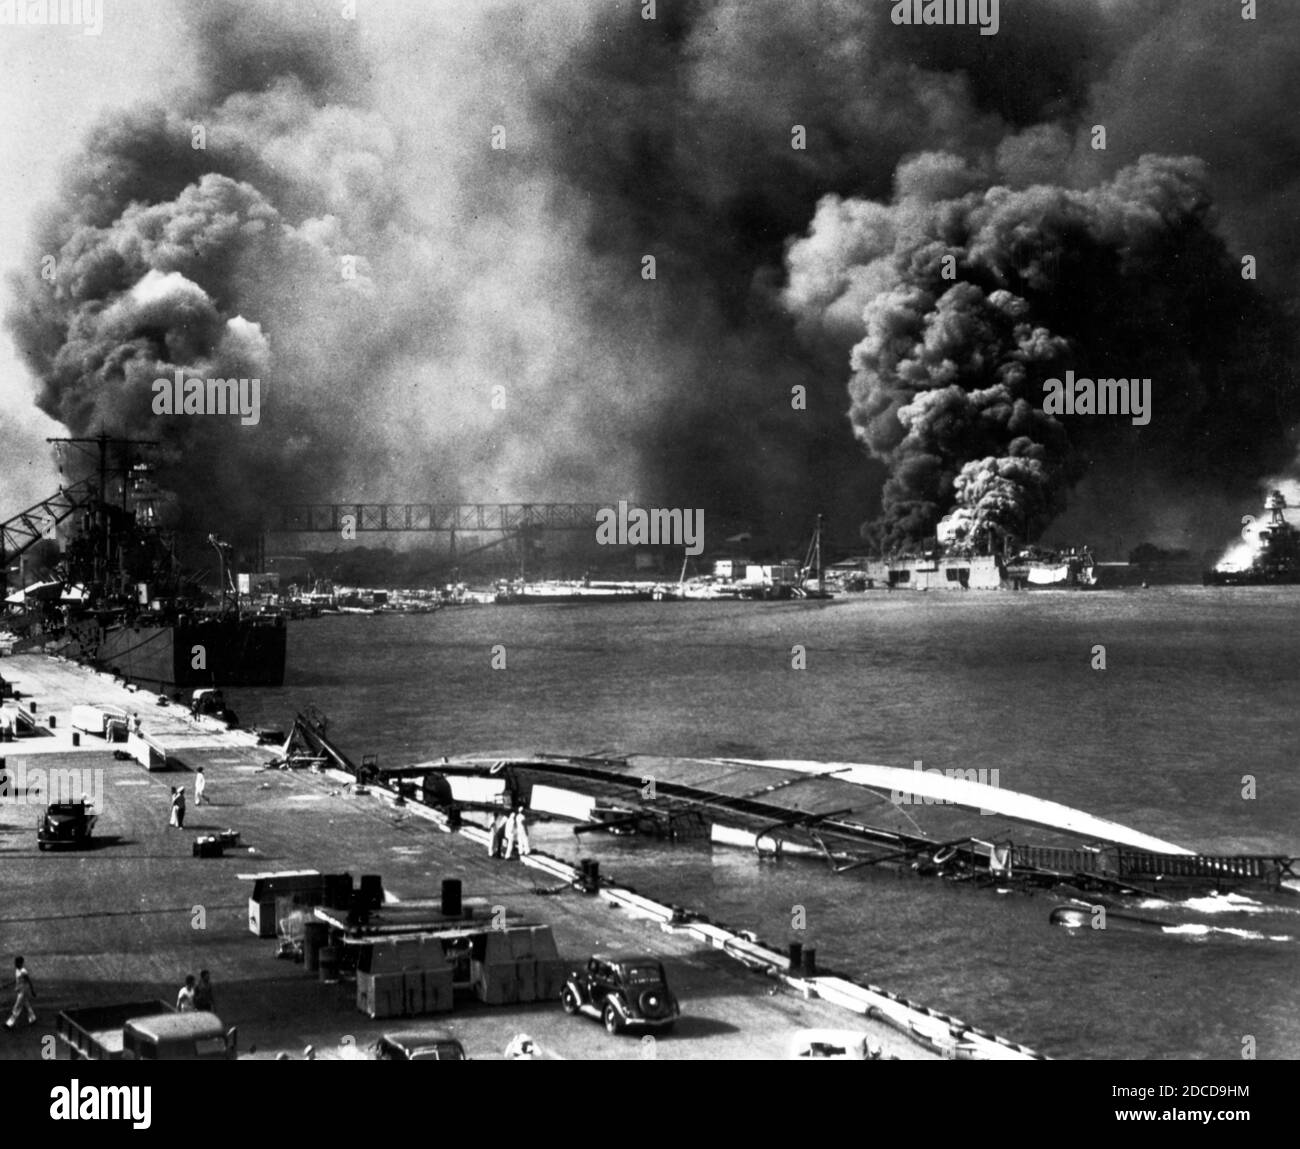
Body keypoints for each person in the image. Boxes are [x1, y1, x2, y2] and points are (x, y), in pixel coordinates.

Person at [5, 957, 36, 1029]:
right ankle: (32, 1018)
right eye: (15, 963)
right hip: (20, 991)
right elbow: (16, 980)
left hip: (23, 991)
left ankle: (9, 1023)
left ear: (21, 963)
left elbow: (29, 981)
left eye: (17, 963)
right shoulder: (17, 970)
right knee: (26, 1005)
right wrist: (7, 985)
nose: (15, 964)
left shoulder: (23, 971)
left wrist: (32, 991)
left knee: (17, 1007)